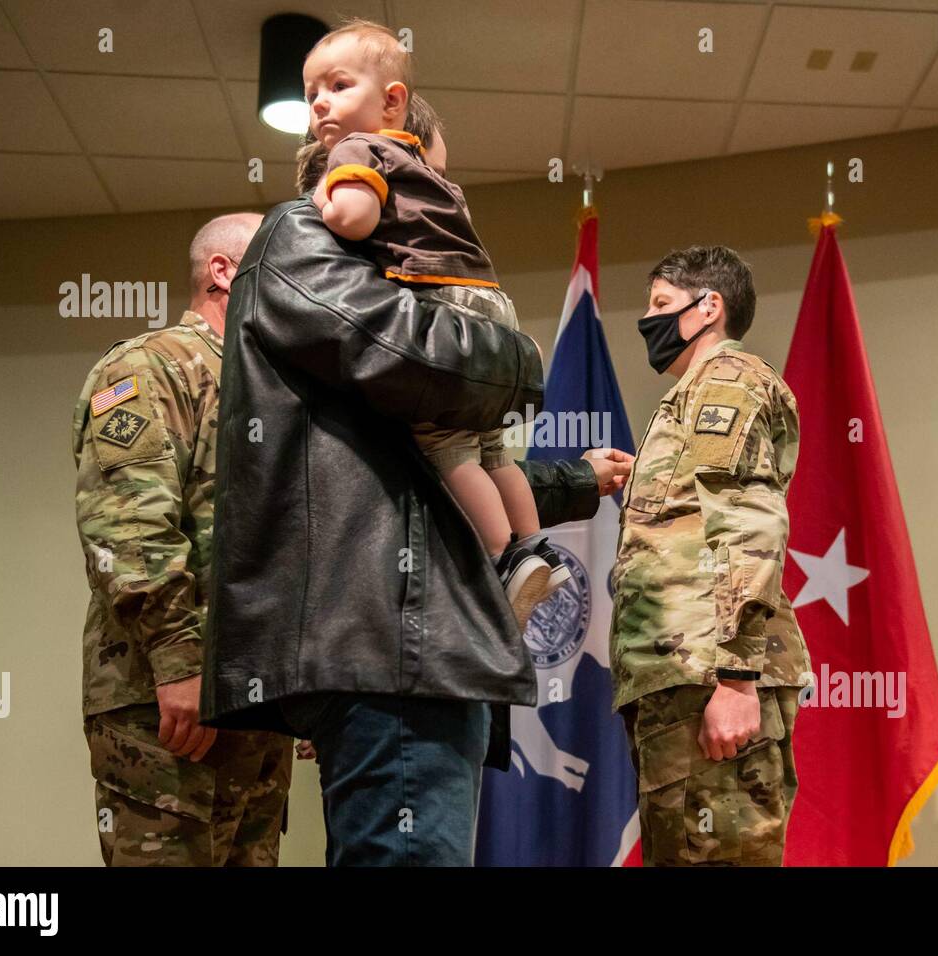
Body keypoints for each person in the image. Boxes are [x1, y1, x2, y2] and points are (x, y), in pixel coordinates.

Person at [199, 52, 633, 865]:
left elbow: (430, 458)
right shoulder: (300, 235)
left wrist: (570, 475)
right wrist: (520, 359)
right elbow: (418, 360)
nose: (436, 205)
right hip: (389, 643)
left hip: (405, 639)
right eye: (423, 178)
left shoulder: (376, 264)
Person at [303, 21, 561, 628]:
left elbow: (355, 219)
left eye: (338, 86)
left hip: (440, 305)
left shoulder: (357, 150)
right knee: (494, 444)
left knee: (446, 444)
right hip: (493, 305)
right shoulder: (429, 167)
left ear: (391, 101)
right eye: (313, 91)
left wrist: (324, 197)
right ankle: (534, 542)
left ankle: (501, 555)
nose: (320, 102)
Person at [73, 213, 294, 866]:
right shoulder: (145, 368)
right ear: (223, 272)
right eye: (283, 259)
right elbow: (128, 523)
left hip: (257, 706)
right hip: (165, 704)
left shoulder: (270, 389)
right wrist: (180, 662)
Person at [611, 245, 812, 866]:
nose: (650, 321)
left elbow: (749, 524)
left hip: (709, 674)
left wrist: (736, 679)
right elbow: (702, 512)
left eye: (662, 305)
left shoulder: (726, 382)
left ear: (710, 307)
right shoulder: (691, 396)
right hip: (679, 677)